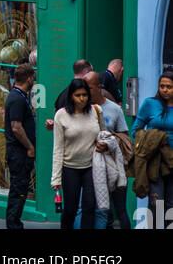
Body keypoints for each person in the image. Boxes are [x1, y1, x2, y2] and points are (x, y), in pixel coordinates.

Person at [51, 77, 102, 229]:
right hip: (70, 167)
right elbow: (58, 148)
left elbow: (103, 134)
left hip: (91, 166)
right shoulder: (61, 115)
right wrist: (56, 178)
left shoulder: (96, 111)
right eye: (77, 95)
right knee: (71, 209)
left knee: (89, 206)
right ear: (71, 96)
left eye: (85, 95)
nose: (82, 99)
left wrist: (104, 144)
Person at [85, 72, 130, 230]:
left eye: (88, 88)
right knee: (100, 209)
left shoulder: (114, 109)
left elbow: (124, 136)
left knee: (120, 207)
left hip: (112, 163)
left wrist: (108, 142)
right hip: (91, 165)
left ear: (98, 87)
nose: (85, 92)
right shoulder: (82, 108)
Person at [133, 68, 173, 225]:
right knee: (157, 204)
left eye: (169, 87)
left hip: (172, 161)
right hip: (155, 160)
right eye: (162, 86)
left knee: (171, 206)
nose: (164, 90)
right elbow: (136, 129)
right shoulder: (150, 104)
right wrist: (145, 143)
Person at [4, 62, 36, 229]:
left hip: (20, 153)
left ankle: (14, 222)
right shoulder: (17, 98)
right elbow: (16, 127)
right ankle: (14, 223)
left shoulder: (18, 96)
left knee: (19, 189)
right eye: (33, 79)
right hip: (19, 153)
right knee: (19, 190)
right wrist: (30, 147)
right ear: (29, 79)